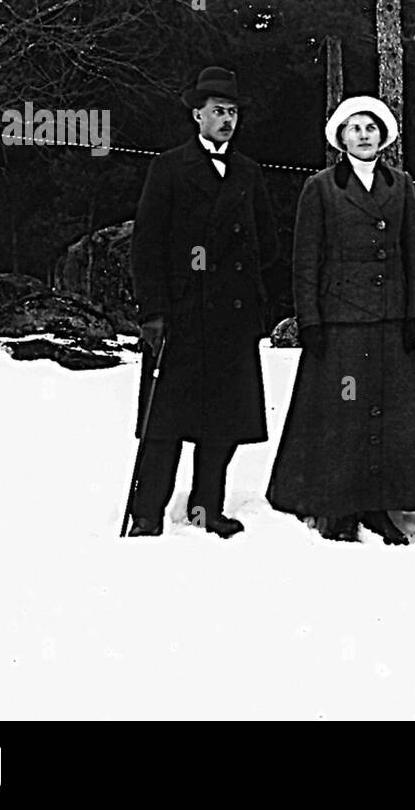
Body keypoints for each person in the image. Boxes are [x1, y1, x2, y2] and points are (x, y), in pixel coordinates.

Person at [265, 95, 415, 543]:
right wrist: (310, 319)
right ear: (340, 137)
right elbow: (306, 260)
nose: (364, 136)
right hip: (341, 320)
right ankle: (338, 506)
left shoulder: (401, 186)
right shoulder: (321, 188)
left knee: (385, 415)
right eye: (355, 128)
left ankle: (378, 504)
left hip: (389, 320)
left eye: (371, 128)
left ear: (382, 137)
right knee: (342, 415)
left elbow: (414, 254)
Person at [127, 66, 279, 537]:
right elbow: (147, 243)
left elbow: (267, 244)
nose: (227, 120)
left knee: (223, 423)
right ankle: (147, 512)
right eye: (217, 112)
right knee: (165, 421)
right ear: (197, 115)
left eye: (233, 112)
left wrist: (256, 304)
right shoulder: (170, 167)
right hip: (182, 315)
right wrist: (153, 312)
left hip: (232, 318)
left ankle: (207, 507)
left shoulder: (248, 173)